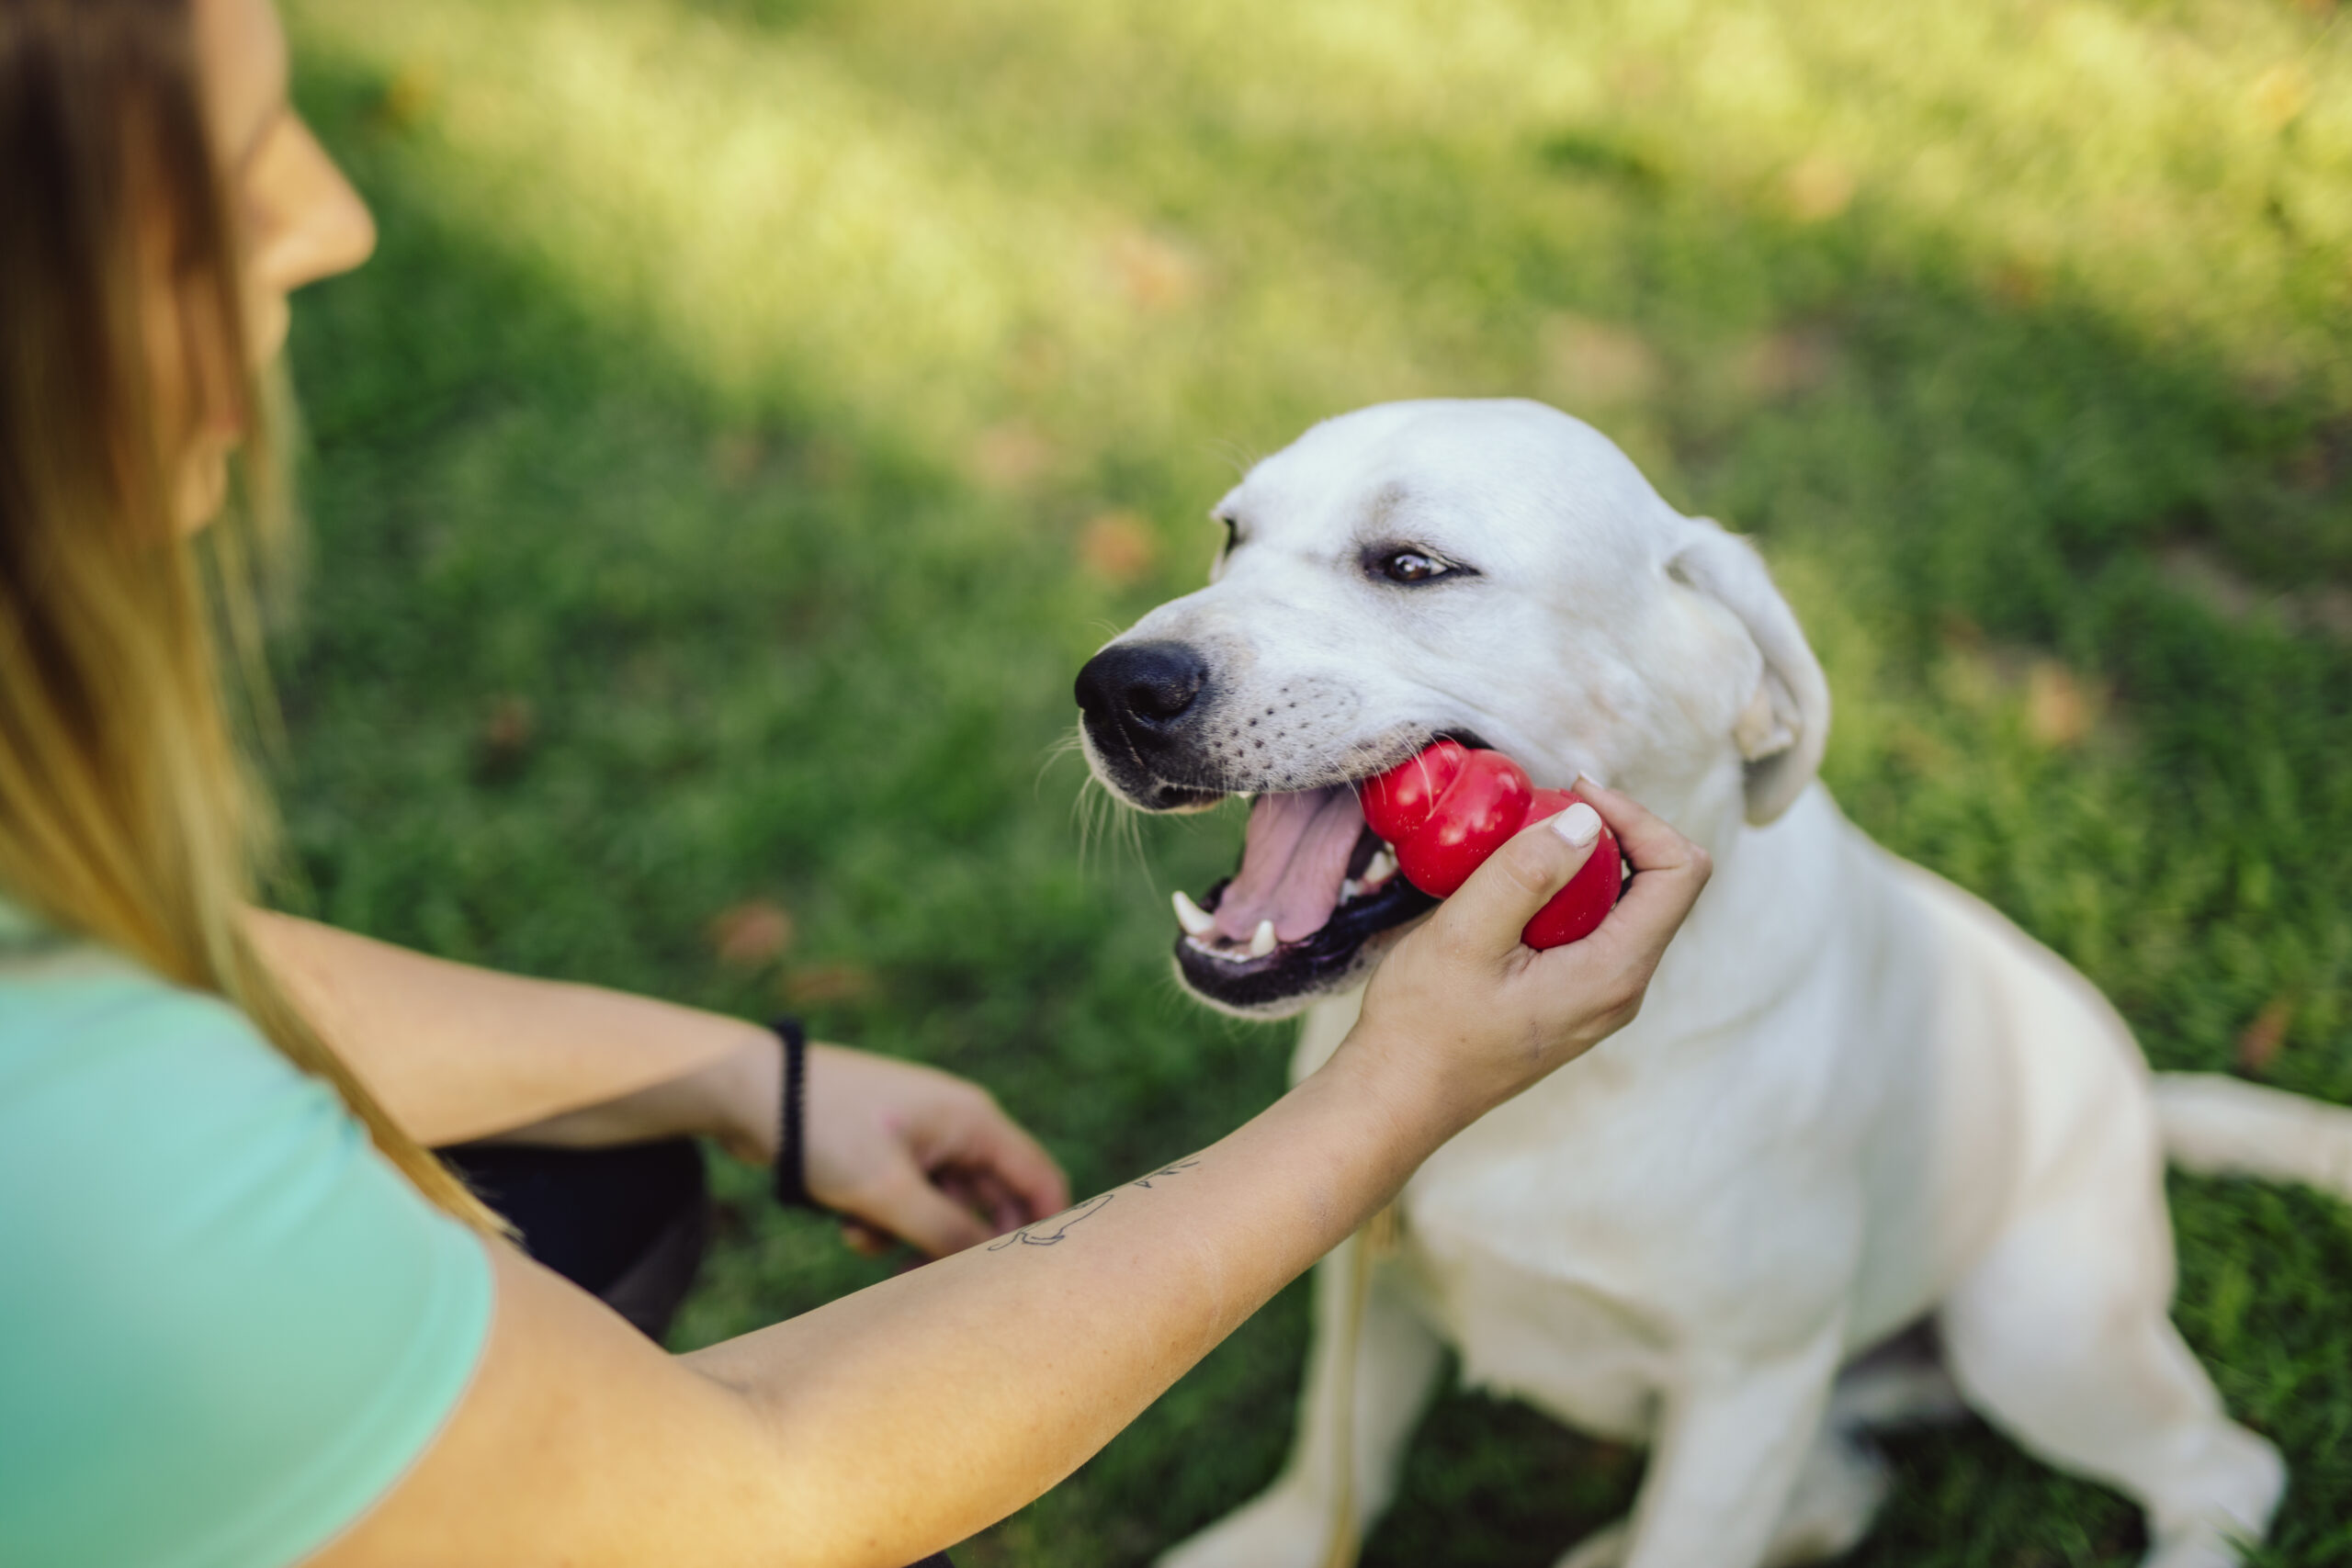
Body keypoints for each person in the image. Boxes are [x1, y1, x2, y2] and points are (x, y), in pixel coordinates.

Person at [0, 1, 1714, 1565]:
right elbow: (744, 1492)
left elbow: (173, 976)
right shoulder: (82, 1179)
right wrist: (1386, 1099)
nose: (335, 216)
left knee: (605, 1179)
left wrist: (750, 1072)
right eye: (220, 171)